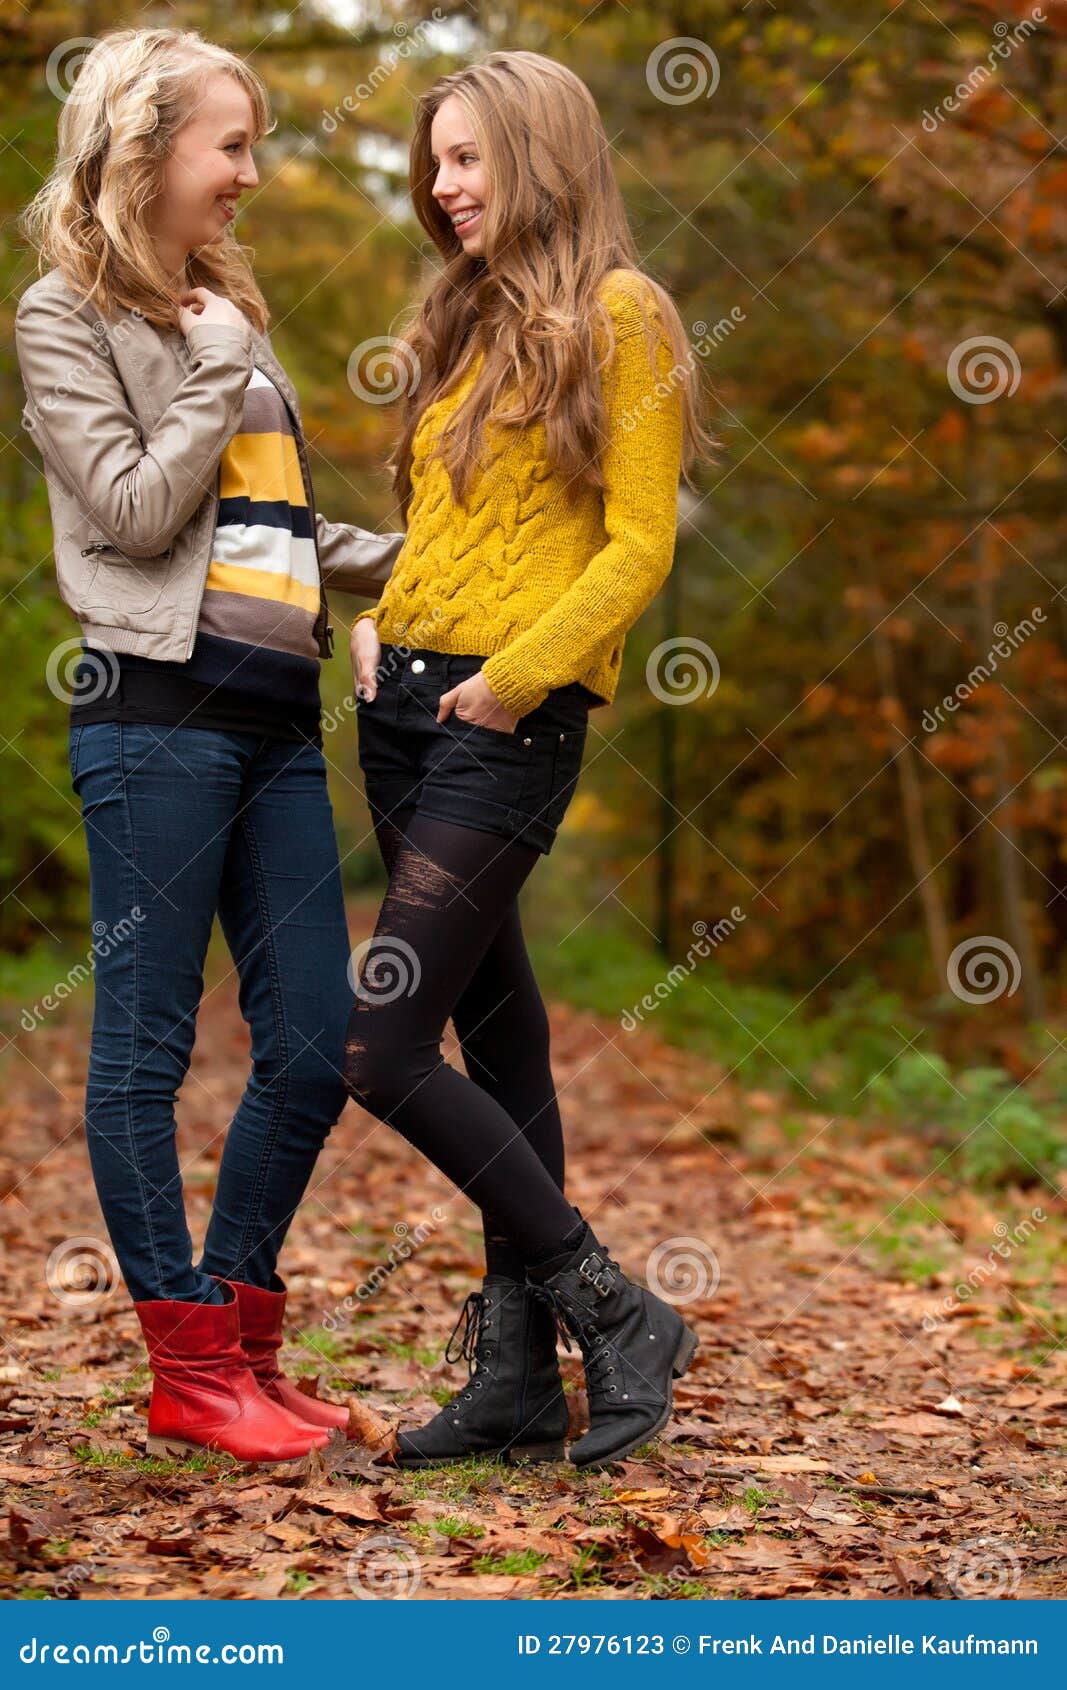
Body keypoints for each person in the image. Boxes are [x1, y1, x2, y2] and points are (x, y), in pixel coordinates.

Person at [15, 27, 404, 1463]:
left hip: (274, 722)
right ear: (143, 148)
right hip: (155, 720)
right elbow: (128, 507)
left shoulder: (222, 309)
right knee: (145, 1050)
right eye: (229, 146)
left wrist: (436, 569)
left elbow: (280, 526)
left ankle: (241, 1337)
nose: (248, 173)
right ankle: (184, 1365)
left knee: (314, 1037)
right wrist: (214, 363)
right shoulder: (64, 314)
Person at [345, 51, 715, 1469]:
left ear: (541, 151)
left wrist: (513, 676)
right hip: (404, 706)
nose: (443, 192)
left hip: (502, 719)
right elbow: (446, 529)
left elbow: (637, 544)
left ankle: (616, 1310)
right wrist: (381, 620)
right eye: (434, 165)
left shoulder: (627, 313)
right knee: (497, 1036)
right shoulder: (469, 318)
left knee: (378, 1045)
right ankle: (514, 1375)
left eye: (467, 160)